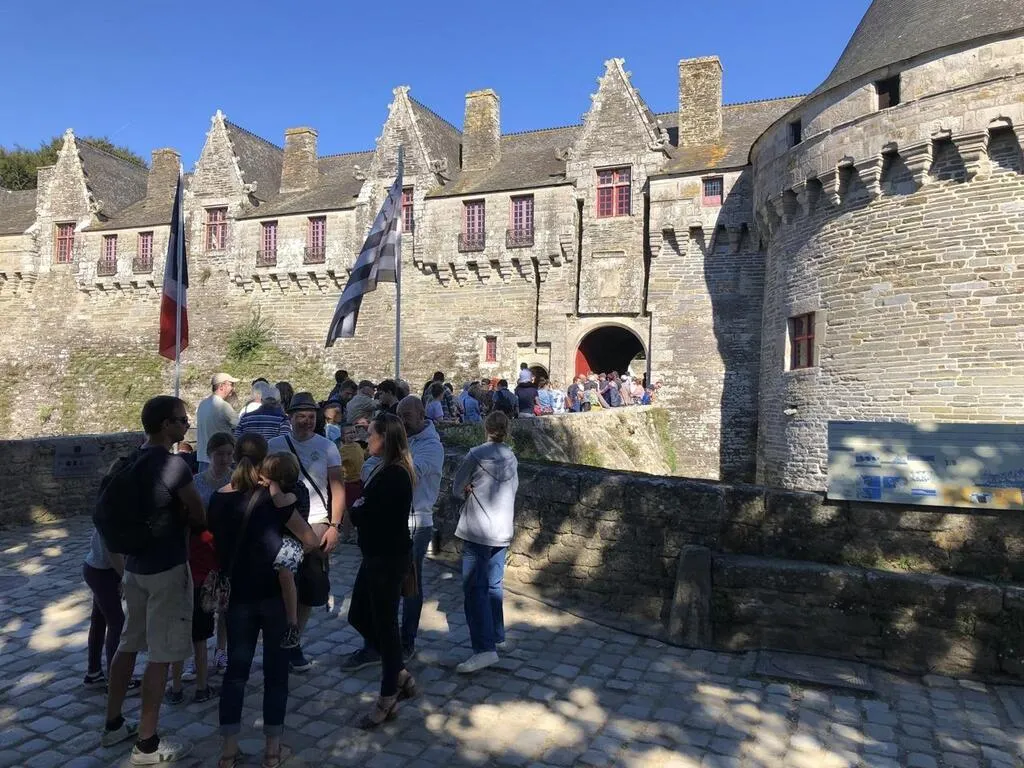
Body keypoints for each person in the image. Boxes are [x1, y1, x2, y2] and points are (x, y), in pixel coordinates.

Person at [101, 395, 205, 765]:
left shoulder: (130, 461)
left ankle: (113, 723)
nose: (186, 424)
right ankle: (147, 744)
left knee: (128, 644)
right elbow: (198, 510)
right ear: (166, 425)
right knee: (160, 654)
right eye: (181, 419)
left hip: (135, 567)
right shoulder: (173, 465)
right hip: (167, 568)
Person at [210, 435, 319, 768]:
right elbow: (311, 541)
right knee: (276, 675)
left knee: (235, 676)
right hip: (273, 597)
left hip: (237, 597)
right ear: (265, 461)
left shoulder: (218, 498)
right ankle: (272, 751)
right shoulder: (277, 500)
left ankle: (228, 752)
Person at [344, 396, 444, 667]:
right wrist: (388, 458)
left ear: (422, 414)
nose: (403, 421)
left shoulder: (432, 447)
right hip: (386, 526)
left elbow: (413, 473)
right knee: (377, 589)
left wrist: (391, 458)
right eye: (399, 416)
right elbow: (366, 470)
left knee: (409, 585)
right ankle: (378, 644)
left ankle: (405, 642)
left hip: (415, 524)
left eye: (407, 416)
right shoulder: (401, 444)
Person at [345, 413, 418, 728]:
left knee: (386, 627)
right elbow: (363, 508)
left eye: (371, 434)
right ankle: (399, 672)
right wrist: (361, 508)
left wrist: (359, 509)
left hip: (387, 560)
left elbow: (365, 514)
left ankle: (388, 697)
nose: (366, 439)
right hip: (376, 556)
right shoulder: (386, 470)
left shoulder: (395, 475)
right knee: (358, 615)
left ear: (385, 438)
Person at [268, 393, 344, 672]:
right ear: (290, 418)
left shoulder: (327, 447)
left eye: (311, 416)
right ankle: (282, 638)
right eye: (301, 416)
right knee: (281, 586)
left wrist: (335, 525)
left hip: (315, 521)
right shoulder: (274, 446)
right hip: (282, 523)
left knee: (309, 589)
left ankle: (294, 641)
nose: (307, 422)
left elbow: (337, 487)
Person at [451, 411, 519, 673]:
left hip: (478, 528)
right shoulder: (511, 457)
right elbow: (513, 490)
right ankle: (497, 635)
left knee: (474, 589)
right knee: (493, 585)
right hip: (502, 528)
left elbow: (457, 488)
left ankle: (483, 648)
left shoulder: (476, 455)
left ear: (486, 428)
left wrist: (468, 490)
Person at [189, 432, 236, 680]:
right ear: (210, 454)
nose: (225, 459)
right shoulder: (197, 482)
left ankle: (221, 650)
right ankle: (200, 655)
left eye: (229, 454)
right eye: (220, 454)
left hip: (227, 548)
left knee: (225, 604)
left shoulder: (236, 479)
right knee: (201, 605)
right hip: (202, 550)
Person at [82, 527, 140, 693]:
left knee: (99, 621)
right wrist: (126, 578)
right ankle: (118, 681)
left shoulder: (108, 508)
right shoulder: (112, 514)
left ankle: (94, 674)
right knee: (117, 623)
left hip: (97, 569)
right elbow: (113, 553)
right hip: (102, 573)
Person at [260, 452, 308, 648]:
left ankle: (292, 623)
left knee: (285, 572)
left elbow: (282, 502)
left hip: (294, 540)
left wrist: (271, 486)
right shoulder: (278, 488)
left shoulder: (297, 489)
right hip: (278, 536)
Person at [196, 373, 240, 471]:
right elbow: (240, 426)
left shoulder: (203, 404)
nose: (233, 388)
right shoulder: (223, 406)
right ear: (221, 386)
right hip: (221, 460)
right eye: (231, 384)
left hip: (203, 458)